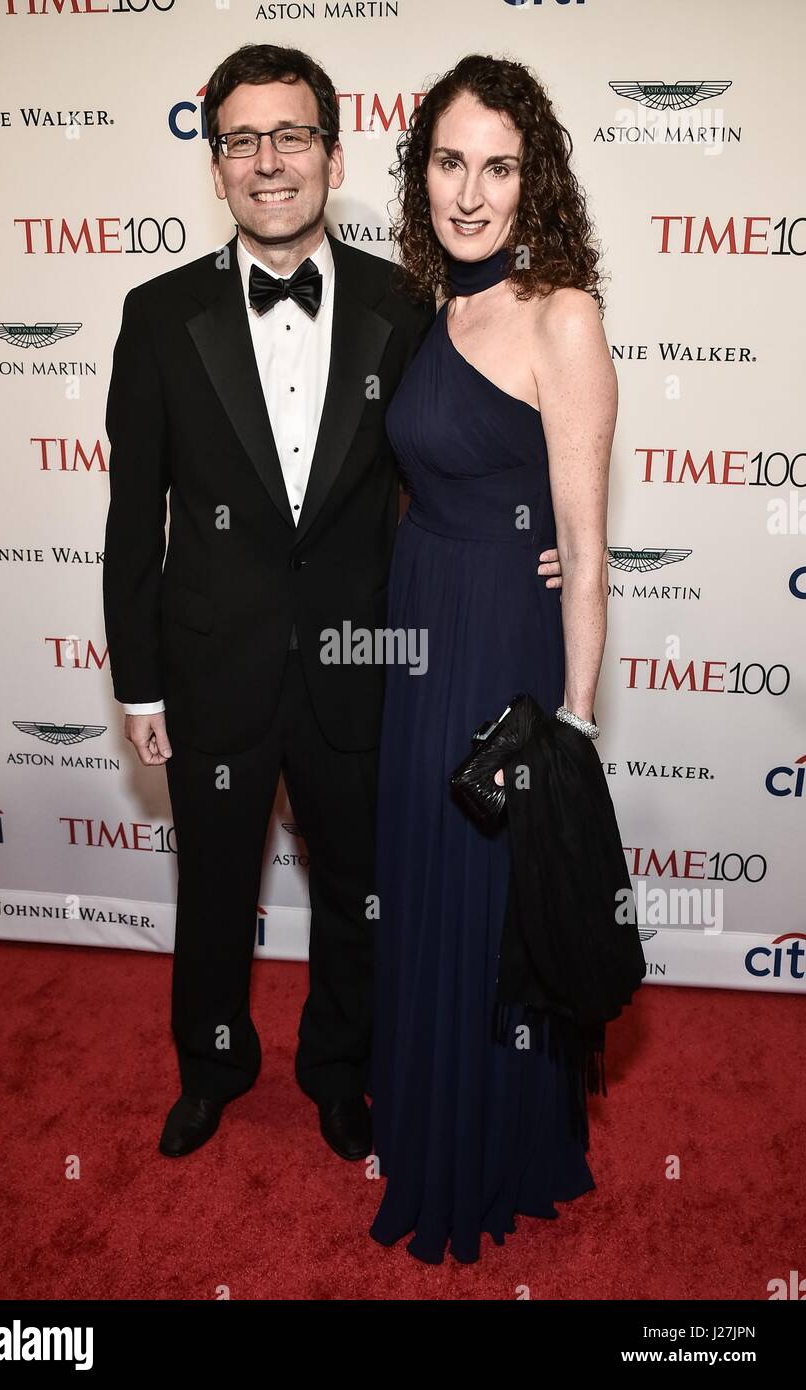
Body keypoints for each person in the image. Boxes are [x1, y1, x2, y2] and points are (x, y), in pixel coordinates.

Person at [102, 43, 563, 1165]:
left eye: (292, 135)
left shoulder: (405, 309)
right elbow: (133, 519)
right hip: (212, 664)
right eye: (242, 140)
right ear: (215, 166)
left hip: (366, 663)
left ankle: (340, 1073)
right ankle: (212, 1066)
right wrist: (139, 679)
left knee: (359, 891)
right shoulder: (158, 314)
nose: (270, 163)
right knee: (213, 887)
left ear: (333, 153)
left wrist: (542, 544)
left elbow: (474, 442)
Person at [368, 54, 617, 1264]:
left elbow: (584, 538)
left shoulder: (563, 313)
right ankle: (424, 1122)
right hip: (421, 637)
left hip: (504, 655)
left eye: (499, 166)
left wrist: (570, 725)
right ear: (422, 175)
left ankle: (492, 1148)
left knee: (492, 903)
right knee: (425, 888)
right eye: (450, 162)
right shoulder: (434, 310)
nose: (471, 192)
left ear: (537, 178)